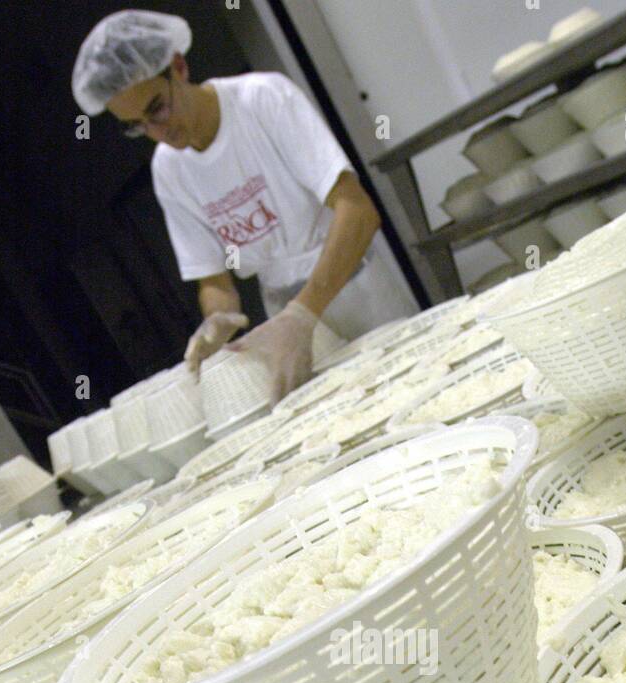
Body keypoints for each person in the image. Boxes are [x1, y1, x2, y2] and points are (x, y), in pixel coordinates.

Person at [72, 9, 417, 401]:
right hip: (283, 318)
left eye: (156, 108)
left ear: (179, 67)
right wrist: (216, 319)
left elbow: (357, 210)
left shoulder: (262, 98)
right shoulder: (168, 170)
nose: (158, 133)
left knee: (407, 395)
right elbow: (215, 279)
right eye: (136, 125)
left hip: (355, 287)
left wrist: (304, 314)